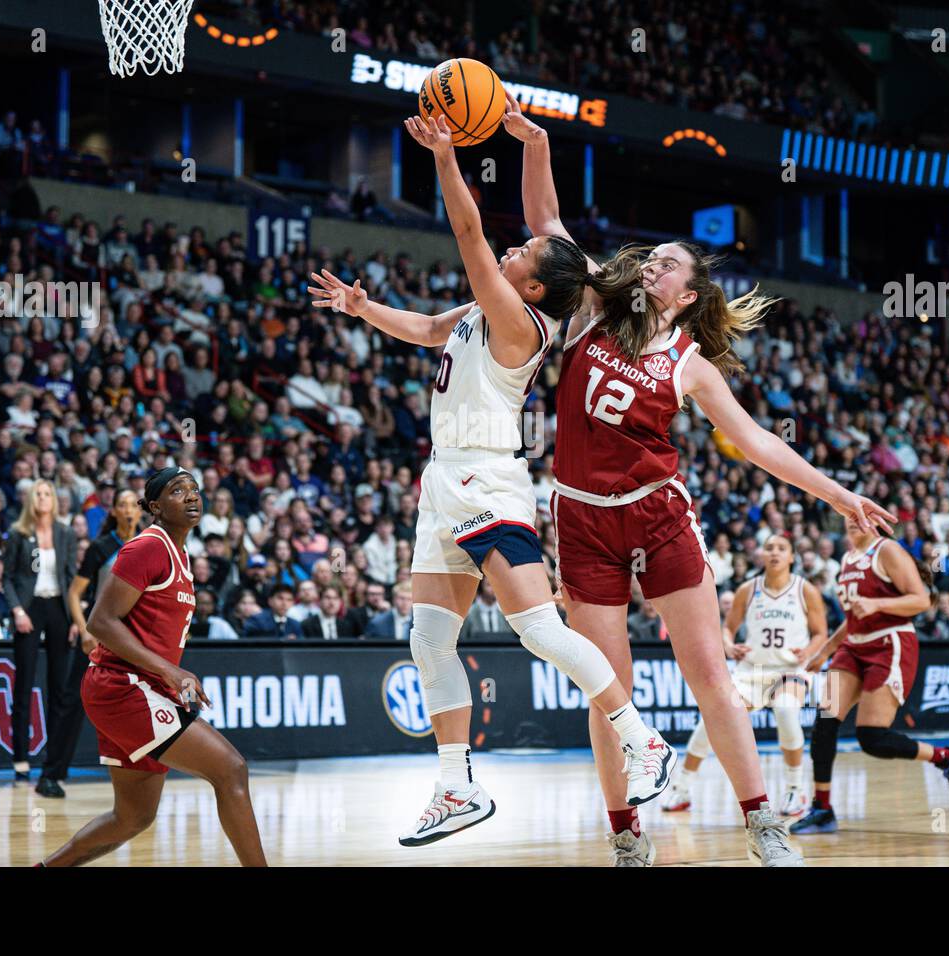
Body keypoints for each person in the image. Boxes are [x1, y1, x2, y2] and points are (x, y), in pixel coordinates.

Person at [509, 92, 890, 866]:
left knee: (710, 674)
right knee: (607, 687)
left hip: (657, 516)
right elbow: (546, 224)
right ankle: (626, 833)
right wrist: (535, 142)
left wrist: (839, 493)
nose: (651, 262)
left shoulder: (690, 365)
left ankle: (763, 824)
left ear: (686, 296)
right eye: (651, 255)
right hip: (580, 518)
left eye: (668, 263)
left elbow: (757, 443)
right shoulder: (594, 306)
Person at [308, 111, 675, 850]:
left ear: (533, 285)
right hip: (443, 477)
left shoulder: (521, 323)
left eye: (524, 251)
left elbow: (469, 233)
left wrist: (446, 157)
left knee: (537, 629)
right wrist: (362, 307)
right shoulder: (487, 307)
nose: (514, 246)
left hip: (486, 476)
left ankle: (643, 740)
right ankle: (457, 786)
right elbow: (427, 330)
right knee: (427, 640)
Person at [40, 467, 265, 866]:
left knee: (132, 817)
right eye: (178, 491)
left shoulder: (179, 552)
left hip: (135, 687)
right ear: (156, 507)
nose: (192, 496)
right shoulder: (148, 547)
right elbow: (100, 622)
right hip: (123, 686)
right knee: (231, 770)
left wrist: (166, 674)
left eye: (194, 489)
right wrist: (170, 671)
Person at [789, 518, 949, 836]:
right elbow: (853, 618)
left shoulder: (887, 550)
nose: (852, 521)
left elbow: (922, 599)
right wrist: (823, 652)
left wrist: (877, 603)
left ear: (873, 521)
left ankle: (947, 757)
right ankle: (822, 809)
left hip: (889, 643)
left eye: (858, 516)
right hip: (853, 646)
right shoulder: (847, 559)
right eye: (847, 516)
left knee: (872, 738)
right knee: (825, 722)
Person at [664, 535, 829, 817]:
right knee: (713, 719)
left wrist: (809, 651)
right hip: (752, 671)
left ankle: (795, 789)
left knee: (786, 709)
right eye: (769, 548)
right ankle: (682, 786)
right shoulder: (748, 590)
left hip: (789, 670)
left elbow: (820, 633)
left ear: (792, 557)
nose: (774, 553)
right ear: (761, 556)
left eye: (781, 549)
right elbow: (727, 629)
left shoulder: (805, 590)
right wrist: (728, 645)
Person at [41, 488, 142, 798]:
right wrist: (84, 630)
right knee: (72, 702)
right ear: (113, 511)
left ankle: (140, 776)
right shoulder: (101, 547)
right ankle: (50, 774)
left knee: (137, 705)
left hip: (134, 640)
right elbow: (74, 593)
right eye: (122, 504)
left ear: (141, 511)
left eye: (133, 505)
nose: (128, 510)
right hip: (99, 636)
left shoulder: (148, 545)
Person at [1, 479, 78, 783]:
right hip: (29, 608)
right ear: (30, 500)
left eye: (48, 494)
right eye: (38, 494)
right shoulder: (18, 533)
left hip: (59, 608)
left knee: (59, 688)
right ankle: (20, 758)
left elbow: (71, 577)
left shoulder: (66, 533)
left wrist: (76, 618)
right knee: (24, 686)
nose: (43, 498)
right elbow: (6, 578)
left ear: (54, 499)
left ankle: (54, 761)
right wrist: (17, 610)